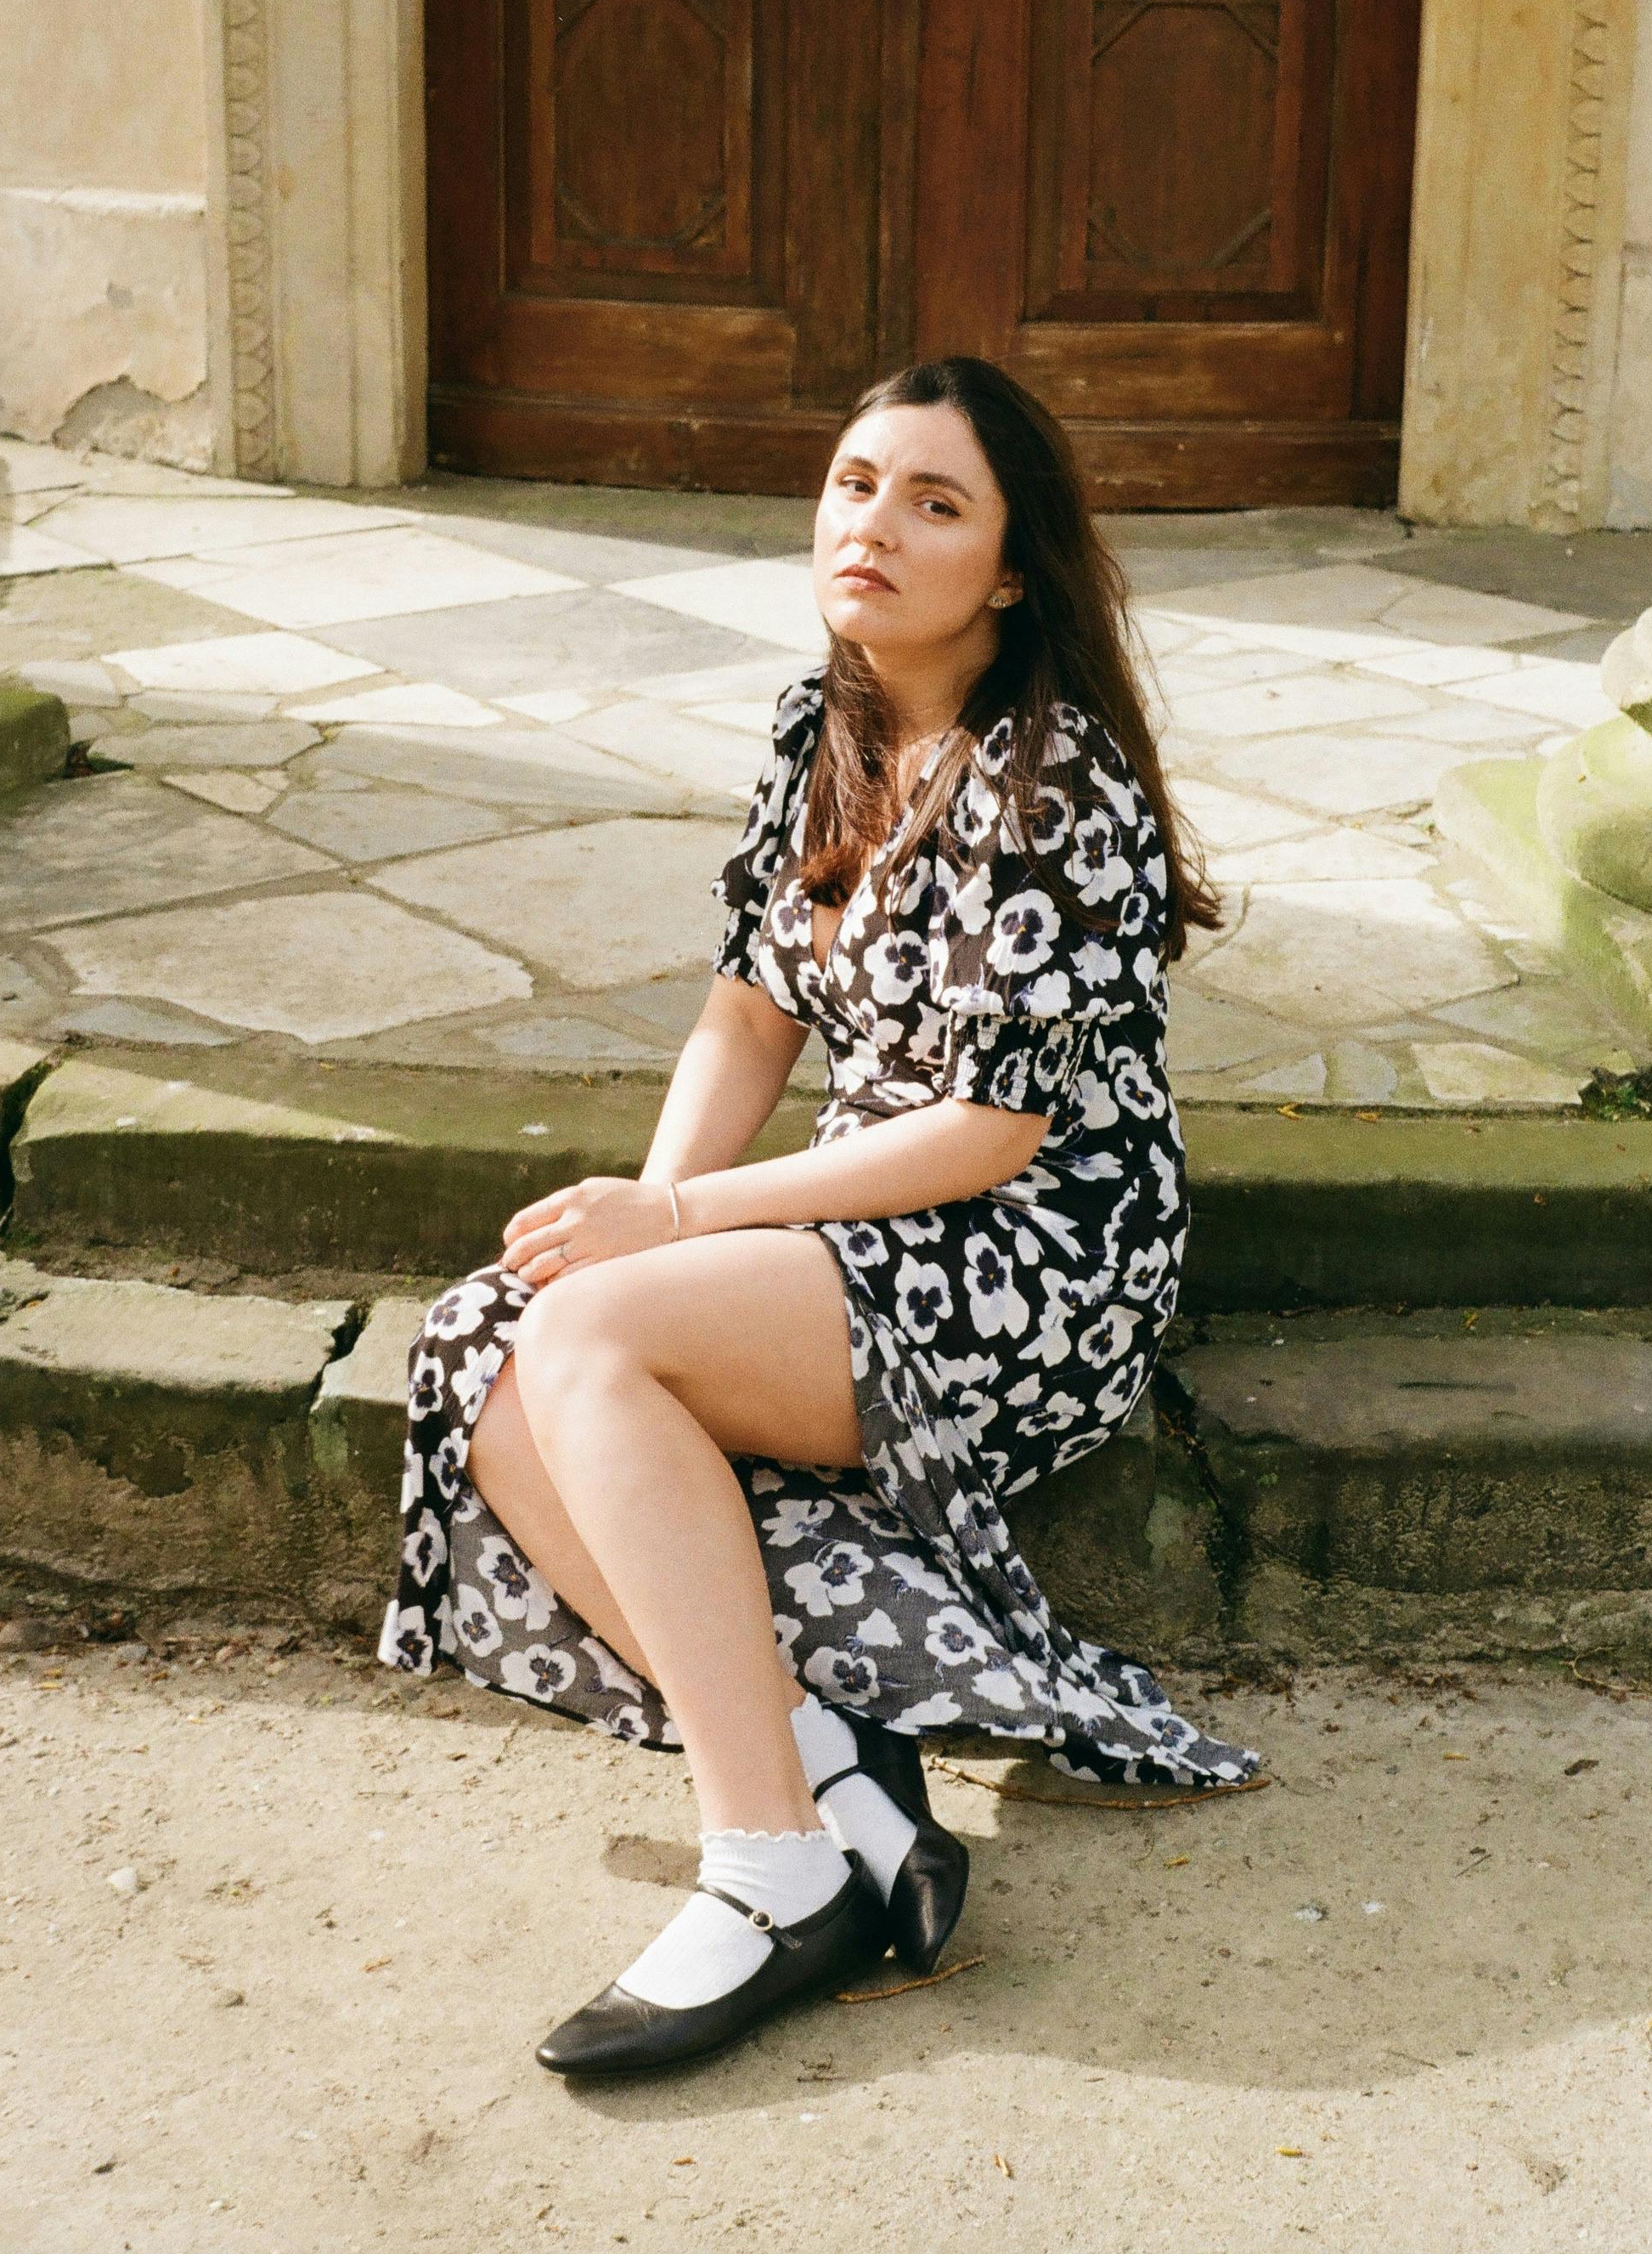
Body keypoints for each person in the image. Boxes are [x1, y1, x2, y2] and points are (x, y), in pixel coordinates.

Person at [379, 355, 1264, 2077]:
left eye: (935, 502)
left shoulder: (1049, 781)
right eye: (856, 481)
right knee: (486, 1335)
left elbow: (994, 1131)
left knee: (599, 1329)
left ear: (1009, 569)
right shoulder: (831, 720)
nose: (873, 523)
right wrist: (650, 1204)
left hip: (1037, 1253)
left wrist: (688, 1221)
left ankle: (772, 1868)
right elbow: (750, 1014)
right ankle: (827, 1781)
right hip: (869, 1209)